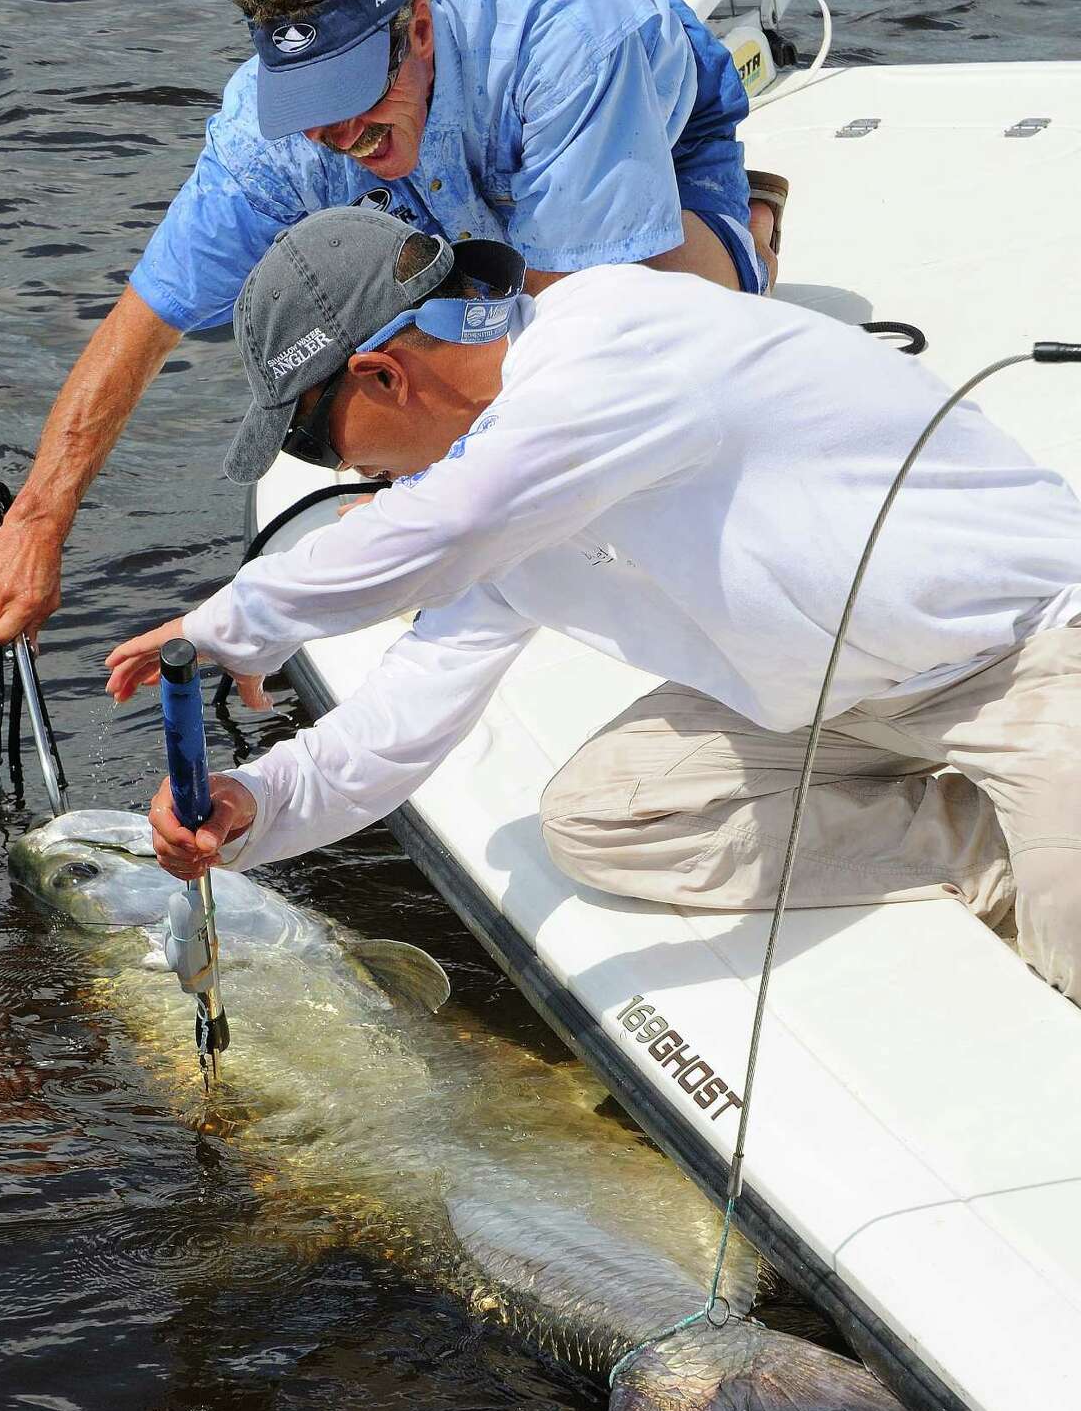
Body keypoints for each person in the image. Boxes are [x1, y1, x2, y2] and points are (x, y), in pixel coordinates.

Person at [106, 205, 1081, 1004]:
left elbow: (456, 521)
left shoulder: (608, 341)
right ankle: (995, 849)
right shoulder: (494, 492)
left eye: (319, 440)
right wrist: (259, 807)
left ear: (382, 375)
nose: (342, 469)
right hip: (843, 693)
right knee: (608, 817)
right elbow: (401, 721)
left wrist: (227, 626)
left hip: (1034, 650)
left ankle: (1052, 858)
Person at [0, 0, 782, 648]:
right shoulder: (273, 132)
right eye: (313, 105)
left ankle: (746, 229)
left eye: (358, 94)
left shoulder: (569, 37)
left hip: (656, 124)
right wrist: (39, 521)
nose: (340, 130)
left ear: (418, 30)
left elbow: (577, 341)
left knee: (651, 338)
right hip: (454, 177)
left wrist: (434, 505)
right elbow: (142, 324)